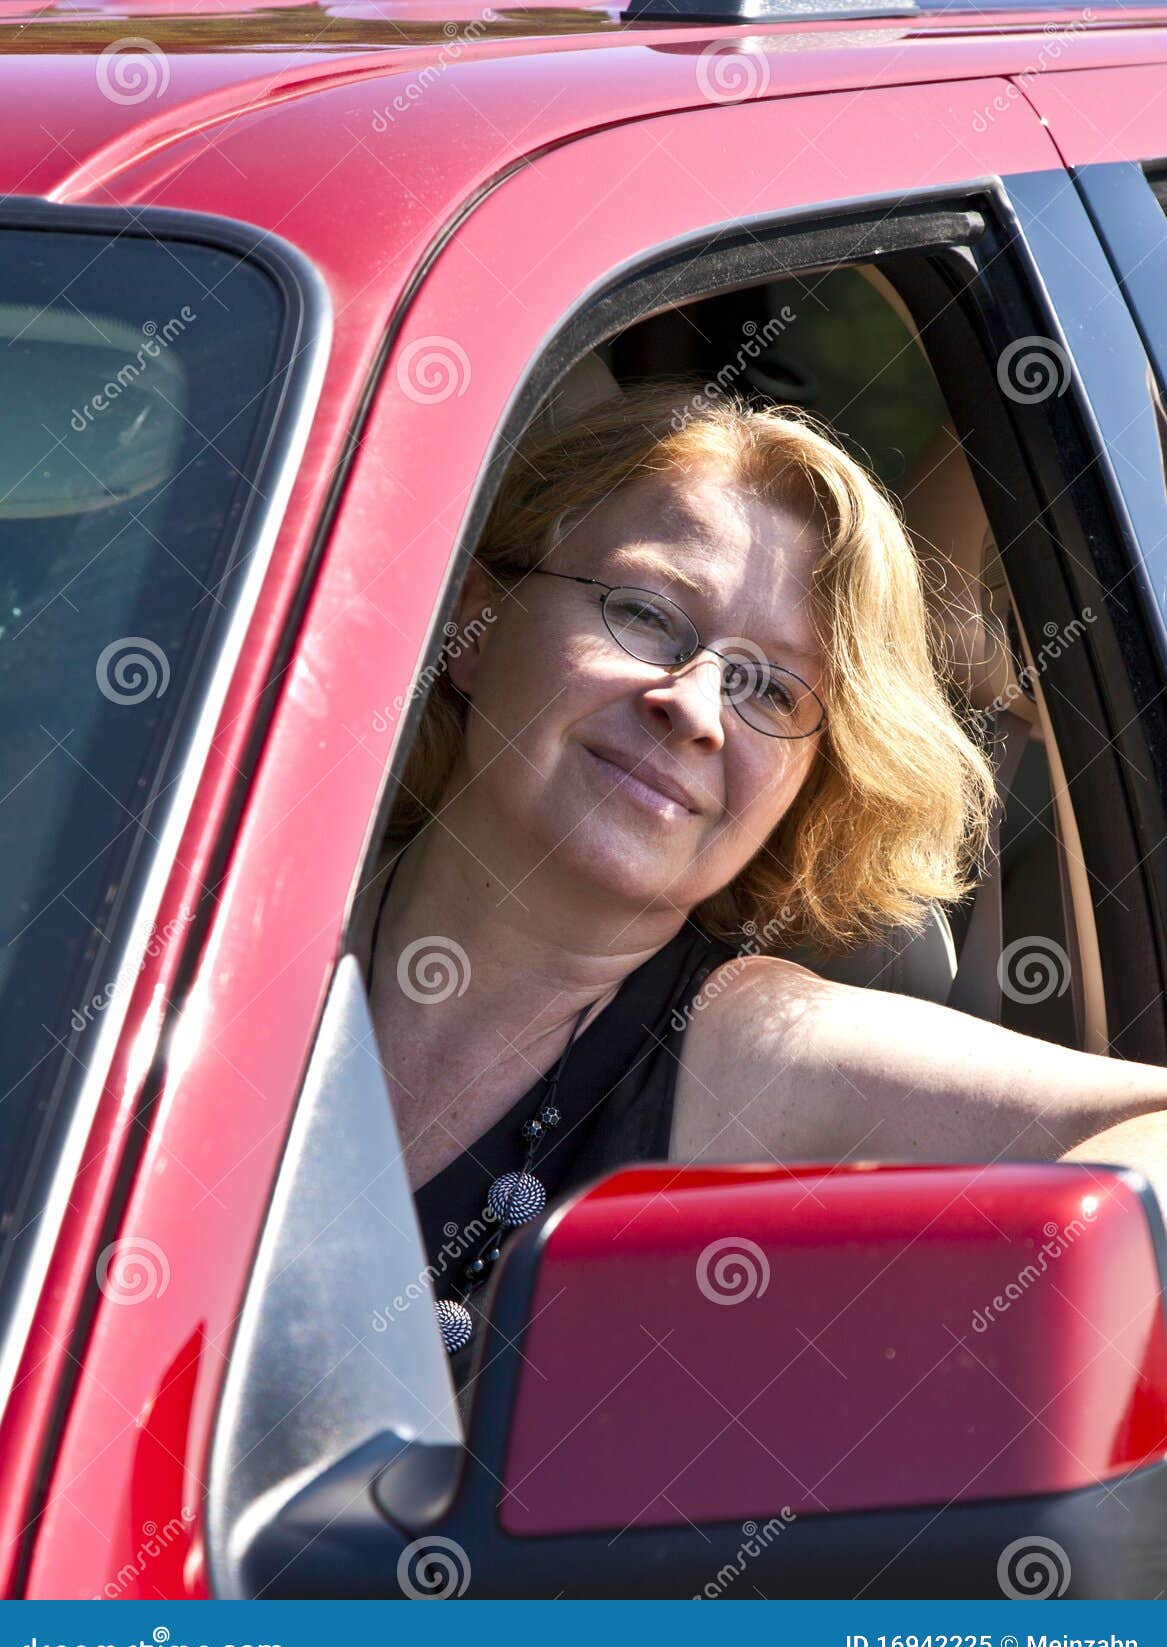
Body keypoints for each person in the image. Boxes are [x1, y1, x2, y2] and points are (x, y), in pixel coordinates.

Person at [358, 376, 1167, 1393]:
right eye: (645, 614)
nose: (695, 707)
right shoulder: (205, 901)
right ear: (475, 621)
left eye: (770, 687)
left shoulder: (758, 1057)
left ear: (808, 789)